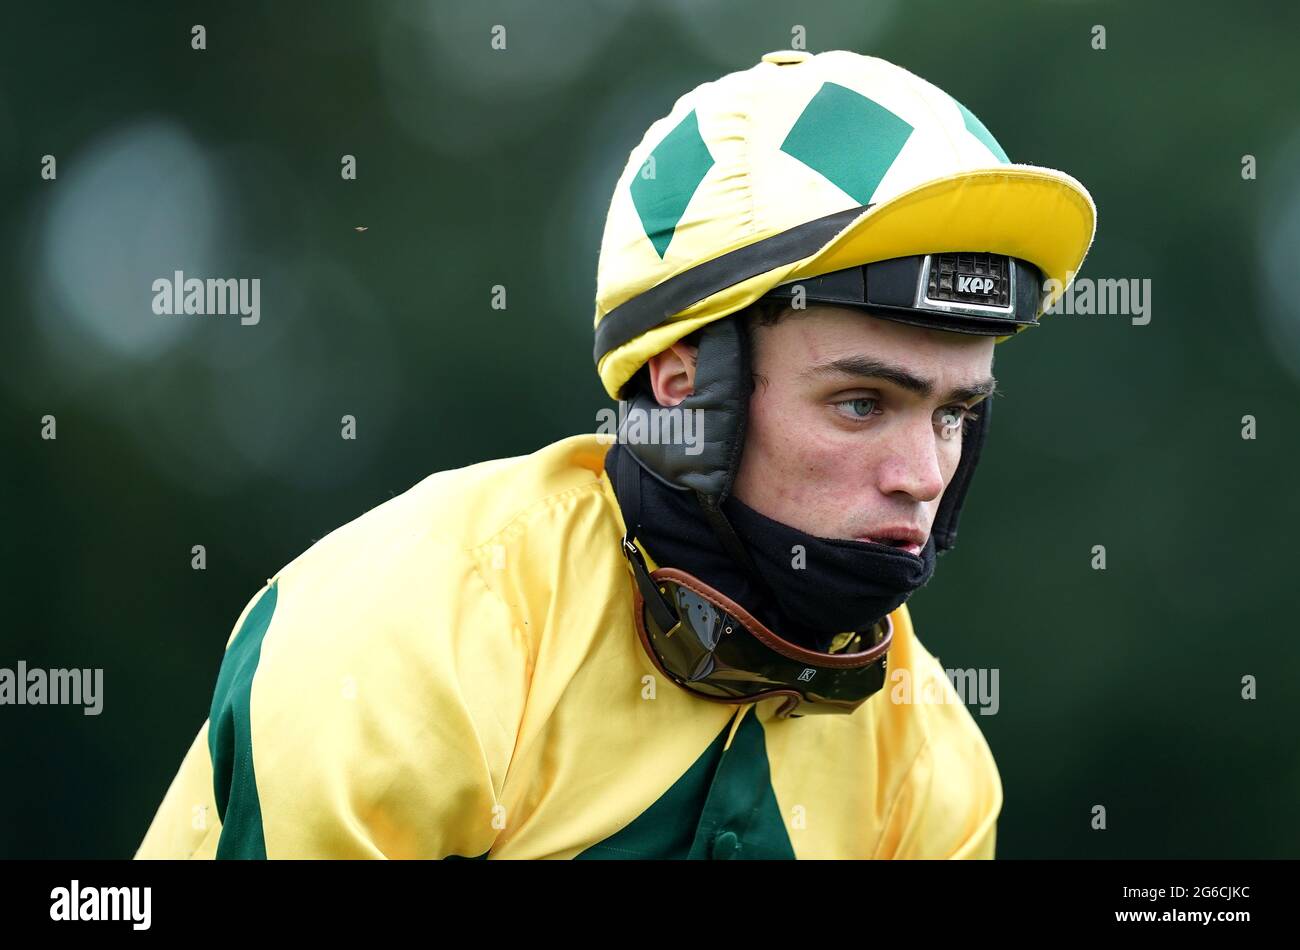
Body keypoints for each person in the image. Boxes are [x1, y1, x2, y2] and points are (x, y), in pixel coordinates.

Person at [136, 48, 1095, 860]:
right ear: (686, 387)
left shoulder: (932, 763)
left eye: (953, 413)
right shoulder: (416, 630)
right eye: (860, 403)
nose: (923, 476)